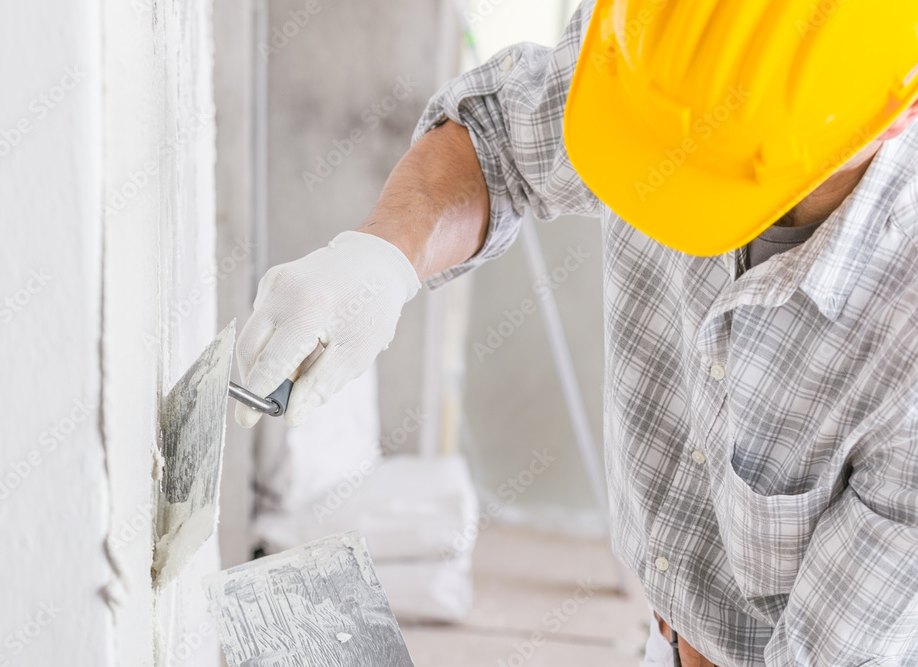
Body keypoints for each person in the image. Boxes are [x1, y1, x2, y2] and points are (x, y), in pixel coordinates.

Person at [233, 1, 918, 665]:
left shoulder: (904, 346)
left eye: (723, 164)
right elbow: (499, 138)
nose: (669, 176)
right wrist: (382, 258)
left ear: (898, 115)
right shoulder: (662, 55)